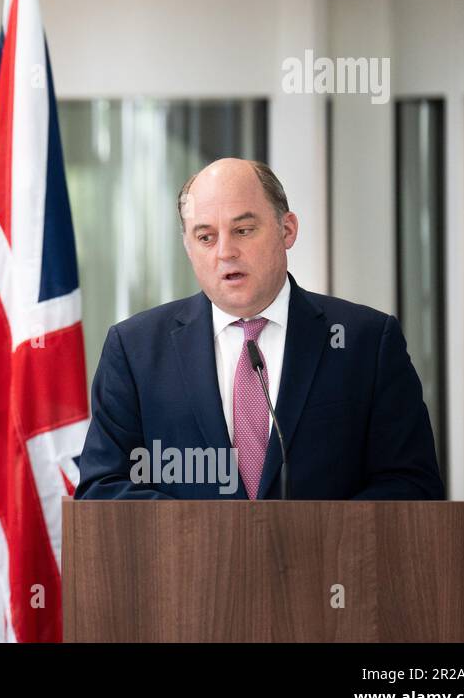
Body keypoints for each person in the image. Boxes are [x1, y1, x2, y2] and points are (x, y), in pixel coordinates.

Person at [76, 158, 443, 500]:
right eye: (206, 237)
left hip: (328, 568)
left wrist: (315, 542)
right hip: (187, 567)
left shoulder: (367, 342)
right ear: (188, 247)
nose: (225, 252)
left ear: (287, 230)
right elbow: (103, 489)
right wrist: (214, 539)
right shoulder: (135, 350)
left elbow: (412, 486)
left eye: (243, 230)